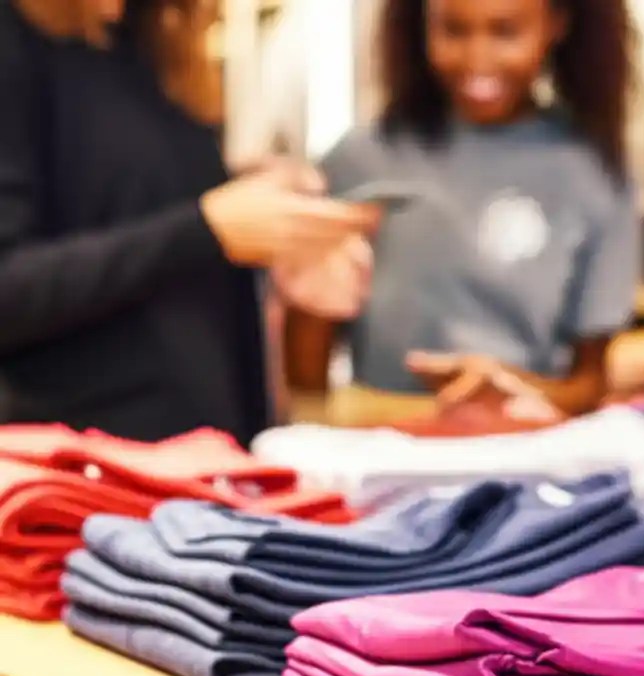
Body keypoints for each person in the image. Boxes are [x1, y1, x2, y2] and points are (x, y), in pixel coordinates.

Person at [0, 0, 382, 445]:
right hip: (94, 468)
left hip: (209, 459)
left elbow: (132, 208)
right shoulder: (17, 42)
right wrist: (210, 227)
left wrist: (269, 215)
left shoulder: (149, 40)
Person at [287, 0, 640, 425]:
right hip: (381, 453)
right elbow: (306, 384)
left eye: (505, 32)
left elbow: (588, 386)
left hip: (526, 457)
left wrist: (506, 384)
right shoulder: (360, 161)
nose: (477, 58)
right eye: (453, 31)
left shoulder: (595, 173)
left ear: (557, 23)